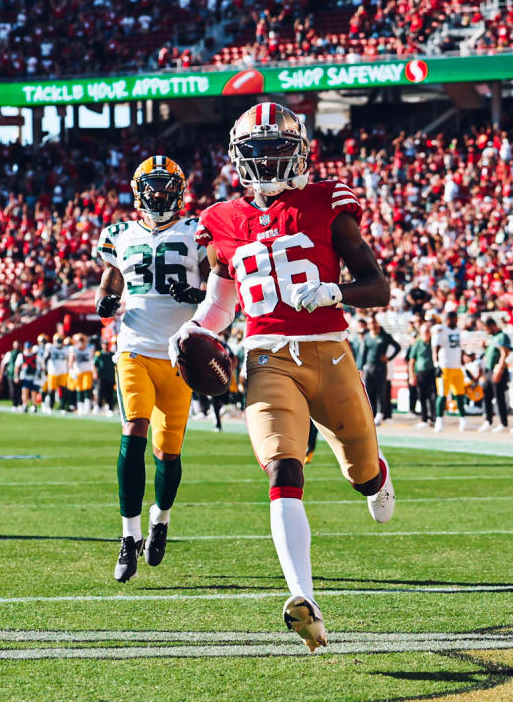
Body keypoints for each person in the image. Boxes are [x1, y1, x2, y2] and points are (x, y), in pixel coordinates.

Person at [169, 102, 394, 651]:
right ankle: (304, 599)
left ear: (298, 153)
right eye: (258, 152)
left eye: (278, 150)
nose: (269, 162)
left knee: (361, 471)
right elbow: (221, 306)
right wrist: (194, 330)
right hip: (266, 357)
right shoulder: (222, 220)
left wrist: (332, 292)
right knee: (281, 466)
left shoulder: (325, 202)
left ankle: (376, 477)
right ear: (239, 158)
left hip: (330, 353)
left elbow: (378, 285)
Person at [96, 155, 209, 583]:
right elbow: (110, 281)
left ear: (179, 191)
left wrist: (195, 293)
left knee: (169, 452)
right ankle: (128, 535)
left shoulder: (197, 231)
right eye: (153, 187)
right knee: (134, 431)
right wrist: (102, 303)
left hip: (180, 354)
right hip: (134, 349)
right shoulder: (119, 234)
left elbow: (215, 285)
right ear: (139, 191)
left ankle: (160, 519)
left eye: (166, 187)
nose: (159, 194)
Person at [358, 317, 401, 425]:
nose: (373, 325)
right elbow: (364, 353)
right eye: (370, 323)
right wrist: (361, 368)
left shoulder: (385, 336)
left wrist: (389, 358)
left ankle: (380, 414)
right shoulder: (367, 337)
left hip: (381, 367)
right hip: (369, 367)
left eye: (374, 322)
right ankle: (372, 413)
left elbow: (397, 347)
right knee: (369, 391)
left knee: (380, 391)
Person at [432, 311, 469, 432]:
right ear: (446, 319)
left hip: (457, 367)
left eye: (455, 318)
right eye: (451, 319)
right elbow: (435, 348)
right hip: (445, 368)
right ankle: (439, 420)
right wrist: (436, 365)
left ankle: (463, 420)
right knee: (442, 395)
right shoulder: (441, 330)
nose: (453, 321)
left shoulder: (458, 330)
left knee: (459, 395)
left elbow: (460, 349)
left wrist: (463, 364)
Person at [479, 317, 510, 432]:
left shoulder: (502, 336)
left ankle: (503, 422)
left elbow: (504, 353)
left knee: (499, 397)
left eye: (487, 328)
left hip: (497, 370)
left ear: (492, 326)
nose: (486, 331)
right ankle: (488, 420)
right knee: (487, 395)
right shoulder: (493, 338)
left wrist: (500, 370)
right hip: (489, 370)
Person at [406, 323, 436, 428]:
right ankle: (424, 418)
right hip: (421, 372)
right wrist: (412, 376)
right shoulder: (417, 344)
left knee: (433, 396)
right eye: (425, 332)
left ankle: (434, 418)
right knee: (422, 396)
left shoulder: (434, 343)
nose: (427, 334)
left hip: (433, 371)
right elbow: (411, 361)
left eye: (428, 331)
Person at [93, 338, 117, 416]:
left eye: (107, 344)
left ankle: (110, 408)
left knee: (110, 393)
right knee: (100, 391)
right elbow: (94, 364)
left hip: (110, 376)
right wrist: (95, 373)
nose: (105, 346)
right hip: (102, 376)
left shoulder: (111, 354)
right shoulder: (99, 354)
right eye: (104, 344)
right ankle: (98, 406)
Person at [0, 340, 22, 411]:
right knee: (13, 389)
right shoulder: (10, 353)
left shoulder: (22, 353)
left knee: (20, 389)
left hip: (21, 374)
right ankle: (14, 404)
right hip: (11, 373)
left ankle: (20, 403)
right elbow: (3, 363)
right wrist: (0, 373)